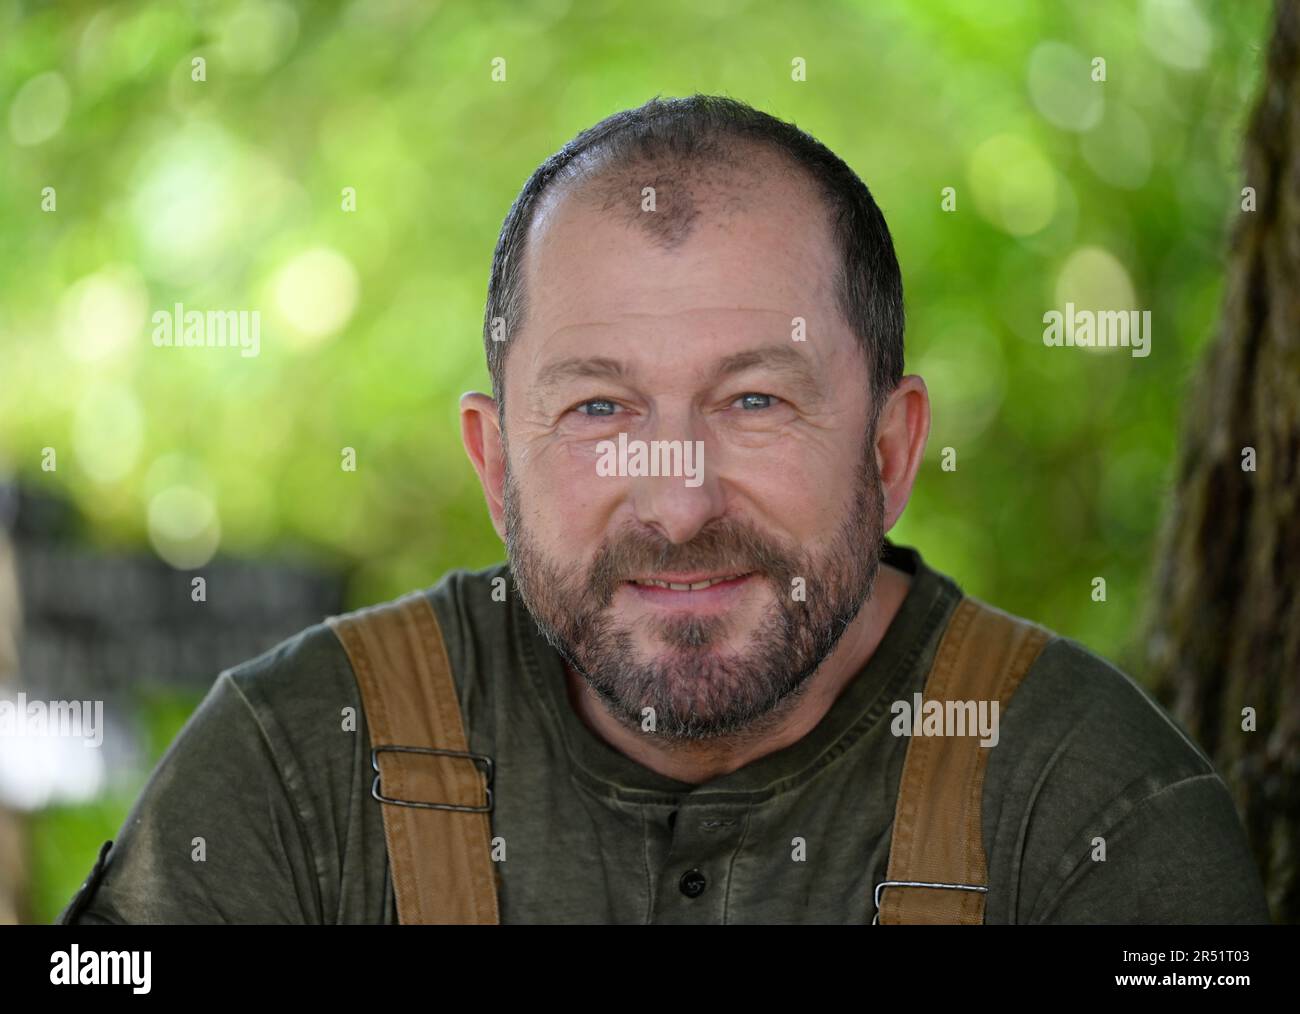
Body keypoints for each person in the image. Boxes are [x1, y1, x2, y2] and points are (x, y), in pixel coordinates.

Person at [60, 94, 1269, 924]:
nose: (680, 502)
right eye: (596, 410)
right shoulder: (290, 766)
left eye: (752, 400)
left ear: (891, 450)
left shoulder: (1099, 813)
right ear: (495, 464)